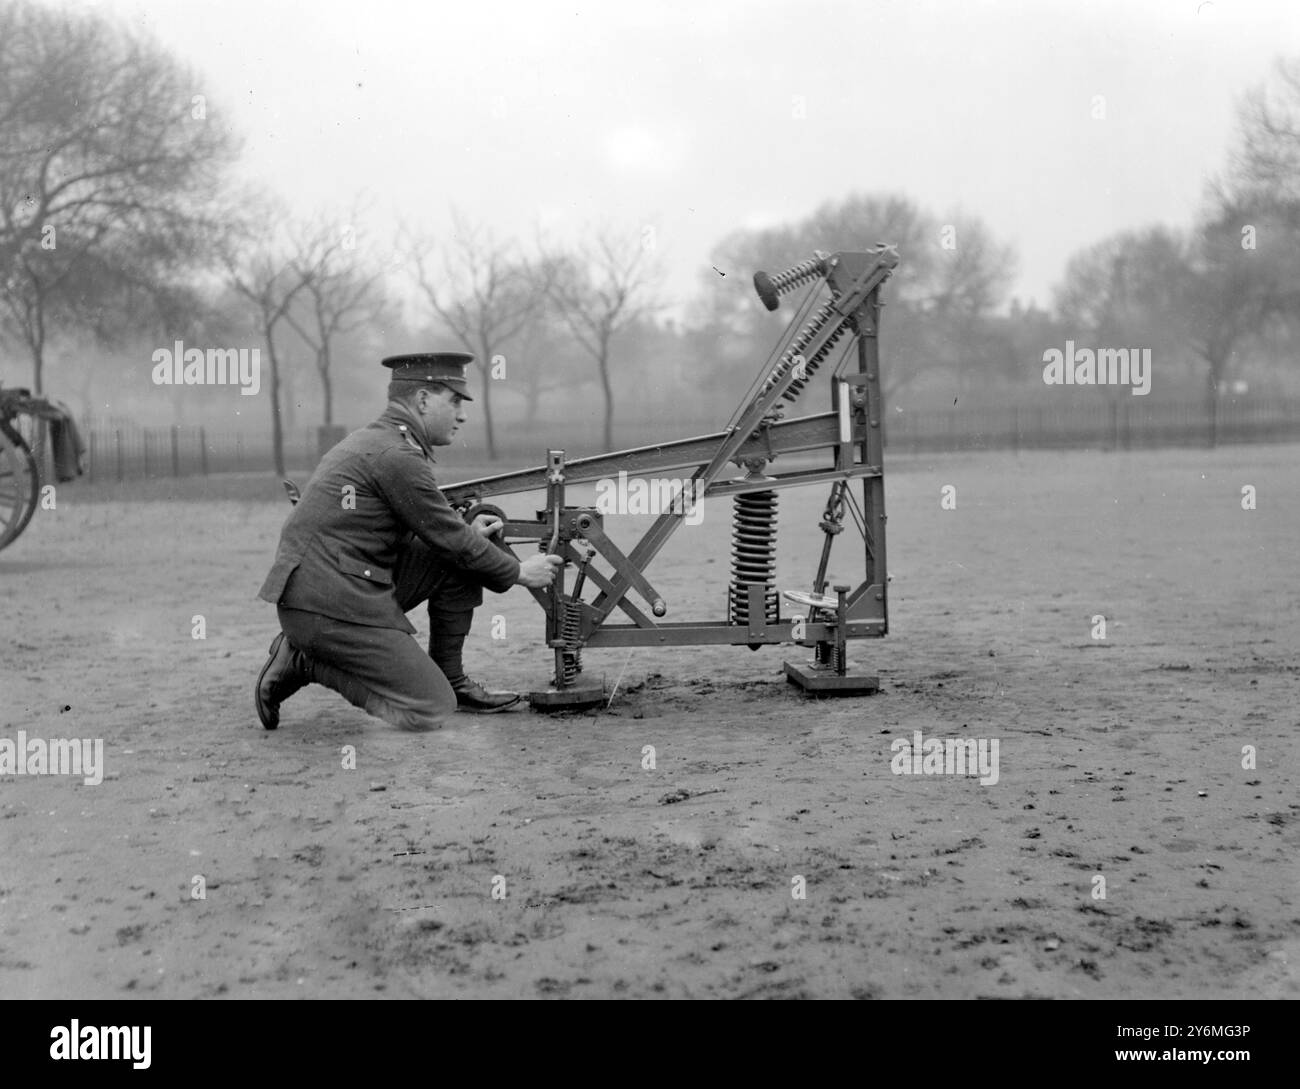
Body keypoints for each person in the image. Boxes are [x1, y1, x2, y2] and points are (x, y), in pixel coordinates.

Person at [253, 352, 562, 731]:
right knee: (429, 708)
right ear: (422, 400)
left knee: (458, 558)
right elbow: (450, 538)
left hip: (337, 587)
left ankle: (452, 678)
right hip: (324, 606)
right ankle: (304, 661)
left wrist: (466, 535)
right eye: (455, 401)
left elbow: (439, 535)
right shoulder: (396, 455)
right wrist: (520, 572)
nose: (462, 415)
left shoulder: (379, 442)